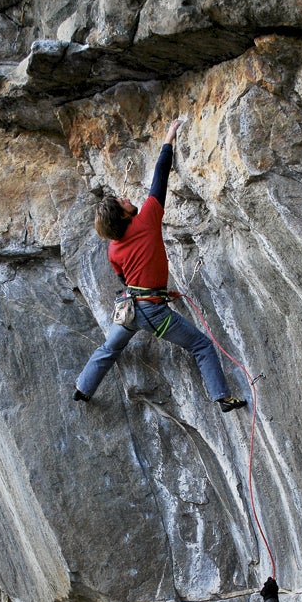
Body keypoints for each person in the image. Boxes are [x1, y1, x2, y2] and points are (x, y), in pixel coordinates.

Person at [73, 119, 248, 413]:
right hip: (153, 313)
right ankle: (222, 397)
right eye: (123, 201)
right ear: (125, 215)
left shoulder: (113, 249)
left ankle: (82, 388)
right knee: (201, 346)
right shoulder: (147, 220)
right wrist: (170, 135)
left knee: (109, 348)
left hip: (129, 310)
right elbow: (160, 176)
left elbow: (126, 280)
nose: (128, 198)